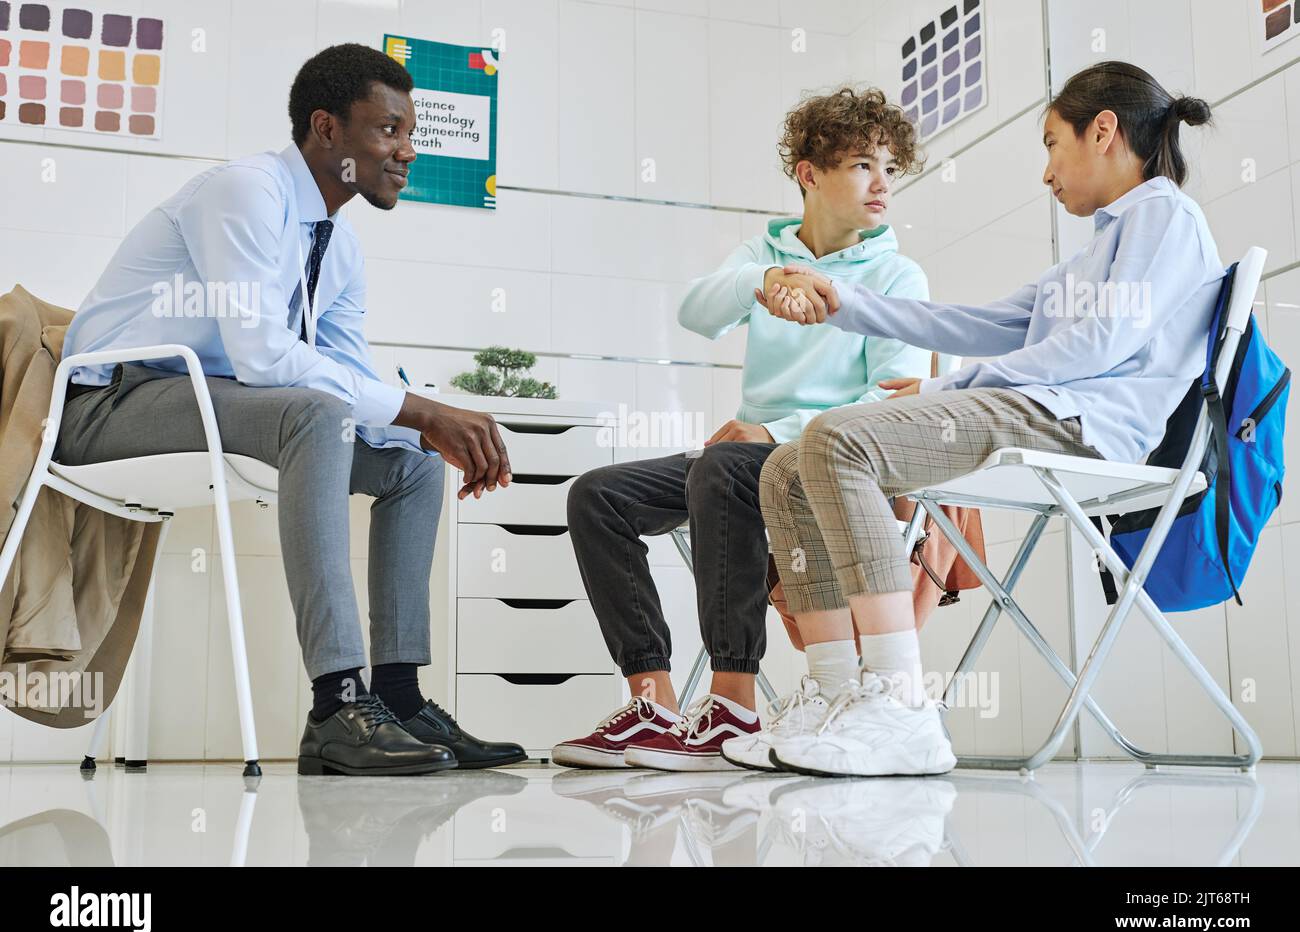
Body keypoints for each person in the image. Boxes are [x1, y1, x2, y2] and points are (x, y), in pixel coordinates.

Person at [55, 44, 524, 776]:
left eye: (410, 135)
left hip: (213, 405)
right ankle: (337, 705)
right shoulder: (247, 192)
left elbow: (346, 374)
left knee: (411, 464)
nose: (407, 151)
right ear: (326, 129)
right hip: (112, 405)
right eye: (389, 130)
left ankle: (397, 697)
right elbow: (264, 358)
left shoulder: (338, 248)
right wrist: (422, 407)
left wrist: (422, 425)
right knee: (320, 414)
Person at [748, 61, 1220, 777]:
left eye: (1051, 145)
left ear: (1103, 132)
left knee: (841, 441)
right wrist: (841, 299)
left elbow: (1095, 348)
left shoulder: (1166, 219)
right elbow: (976, 322)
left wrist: (946, 390)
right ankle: (838, 694)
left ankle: (900, 709)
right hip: (1047, 408)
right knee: (787, 468)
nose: (1046, 173)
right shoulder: (1099, 249)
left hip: (1079, 427)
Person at [551, 87, 939, 772]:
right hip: (752, 459)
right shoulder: (762, 250)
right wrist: (764, 278)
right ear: (810, 174)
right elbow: (698, 313)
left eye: (888, 168)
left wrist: (774, 429)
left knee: (722, 466)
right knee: (597, 495)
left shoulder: (895, 275)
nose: (882, 184)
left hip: (827, 465)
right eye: (860, 165)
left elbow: (887, 405)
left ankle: (731, 701)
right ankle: (654, 704)